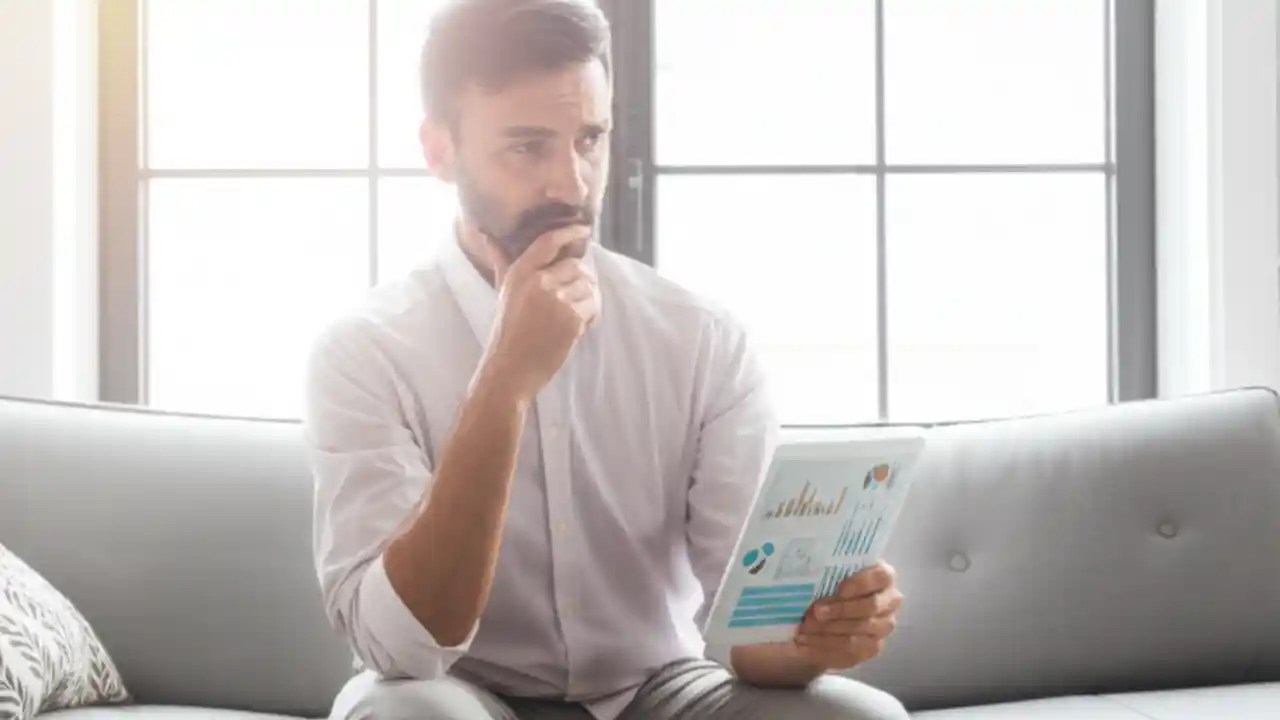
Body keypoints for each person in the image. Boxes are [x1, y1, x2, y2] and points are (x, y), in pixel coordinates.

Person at [303, 1, 908, 718]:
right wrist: (504, 383)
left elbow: (749, 639)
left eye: (589, 139)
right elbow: (403, 649)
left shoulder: (700, 338)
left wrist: (819, 640)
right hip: (463, 689)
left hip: (659, 687)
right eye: (527, 147)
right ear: (439, 150)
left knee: (859, 716)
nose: (572, 183)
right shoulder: (365, 352)